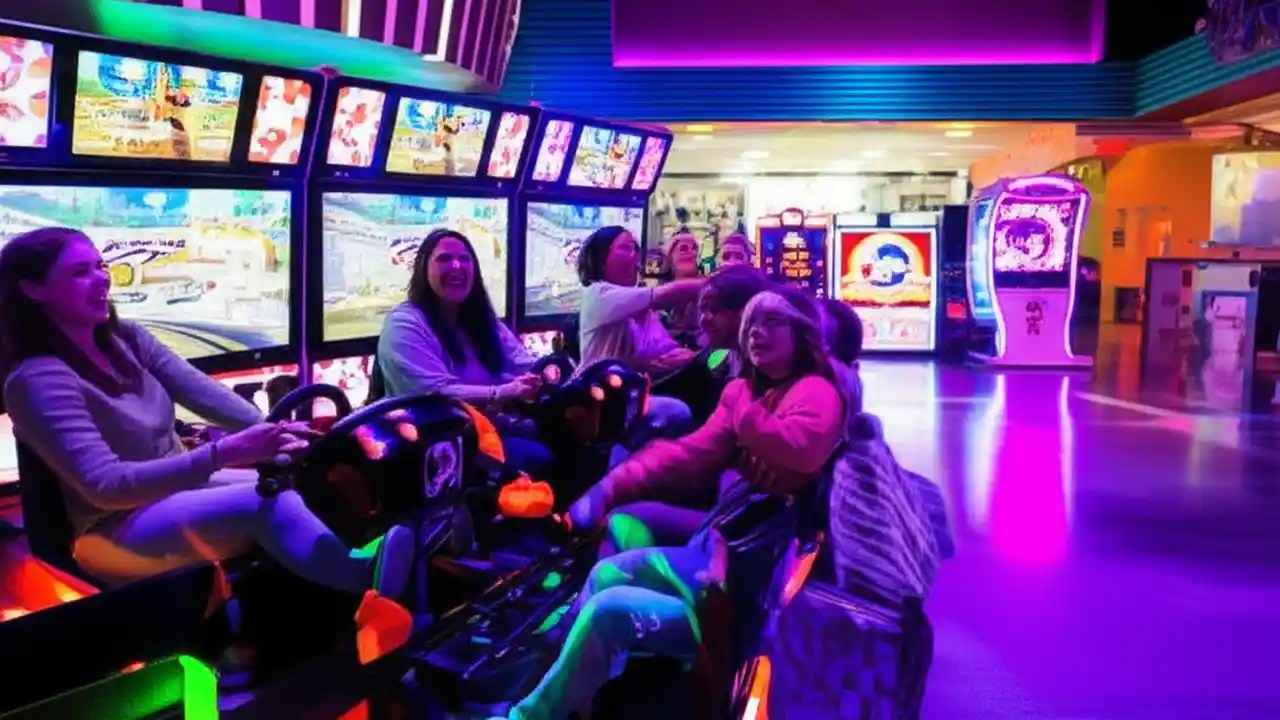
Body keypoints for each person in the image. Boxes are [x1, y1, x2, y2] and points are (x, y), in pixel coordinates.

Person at [0, 227, 412, 595]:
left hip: (170, 491)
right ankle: (368, 580)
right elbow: (106, 487)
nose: (101, 279)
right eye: (80, 272)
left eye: (100, 266)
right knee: (266, 501)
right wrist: (223, 453)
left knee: (294, 475)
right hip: (113, 527)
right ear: (33, 290)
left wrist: (281, 433)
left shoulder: (125, 338)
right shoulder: (37, 379)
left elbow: (201, 392)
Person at [499, 289, 846, 720]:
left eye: (773, 321)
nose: (756, 332)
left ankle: (534, 712)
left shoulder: (816, 390)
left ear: (803, 332)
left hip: (746, 602)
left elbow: (799, 448)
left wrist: (739, 402)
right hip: (723, 564)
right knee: (609, 571)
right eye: (752, 323)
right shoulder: (759, 391)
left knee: (609, 609)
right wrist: (607, 489)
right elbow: (689, 456)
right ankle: (564, 682)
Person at [594, 264, 773, 555]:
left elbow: (714, 455)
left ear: (745, 313)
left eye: (714, 311)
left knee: (622, 517)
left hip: (738, 523)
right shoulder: (725, 361)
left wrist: (621, 482)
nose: (703, 321)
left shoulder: (756, 383)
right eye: (702, 310)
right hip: (725, 499)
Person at [376, 229, 552, 475]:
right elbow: (436, 393)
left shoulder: (481, 320)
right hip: (435, 445)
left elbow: (523, 364)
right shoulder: (404, 323)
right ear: (423, 268)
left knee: (561, 433)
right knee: (537, 457)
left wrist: (552, 371)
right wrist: (503, 392)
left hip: (486, 430)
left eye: (465, 259)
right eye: (444, 259)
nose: (457, 266)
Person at [575, 225, 699, 462]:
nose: (635, 257)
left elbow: (667, 350)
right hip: (596, 402)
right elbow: (665, 295)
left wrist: (666, 358)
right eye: (625, 248)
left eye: (635, 249)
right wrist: (722, 283)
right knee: (677, 412)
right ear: (601, 259)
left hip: (628, 394)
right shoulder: (598, 294)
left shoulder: (639, 307)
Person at [661, 231, 702, 344]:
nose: (691, 252)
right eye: (683, 248)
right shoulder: (661, 292)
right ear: (670, 257)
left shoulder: (707, 289)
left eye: (694, 248)